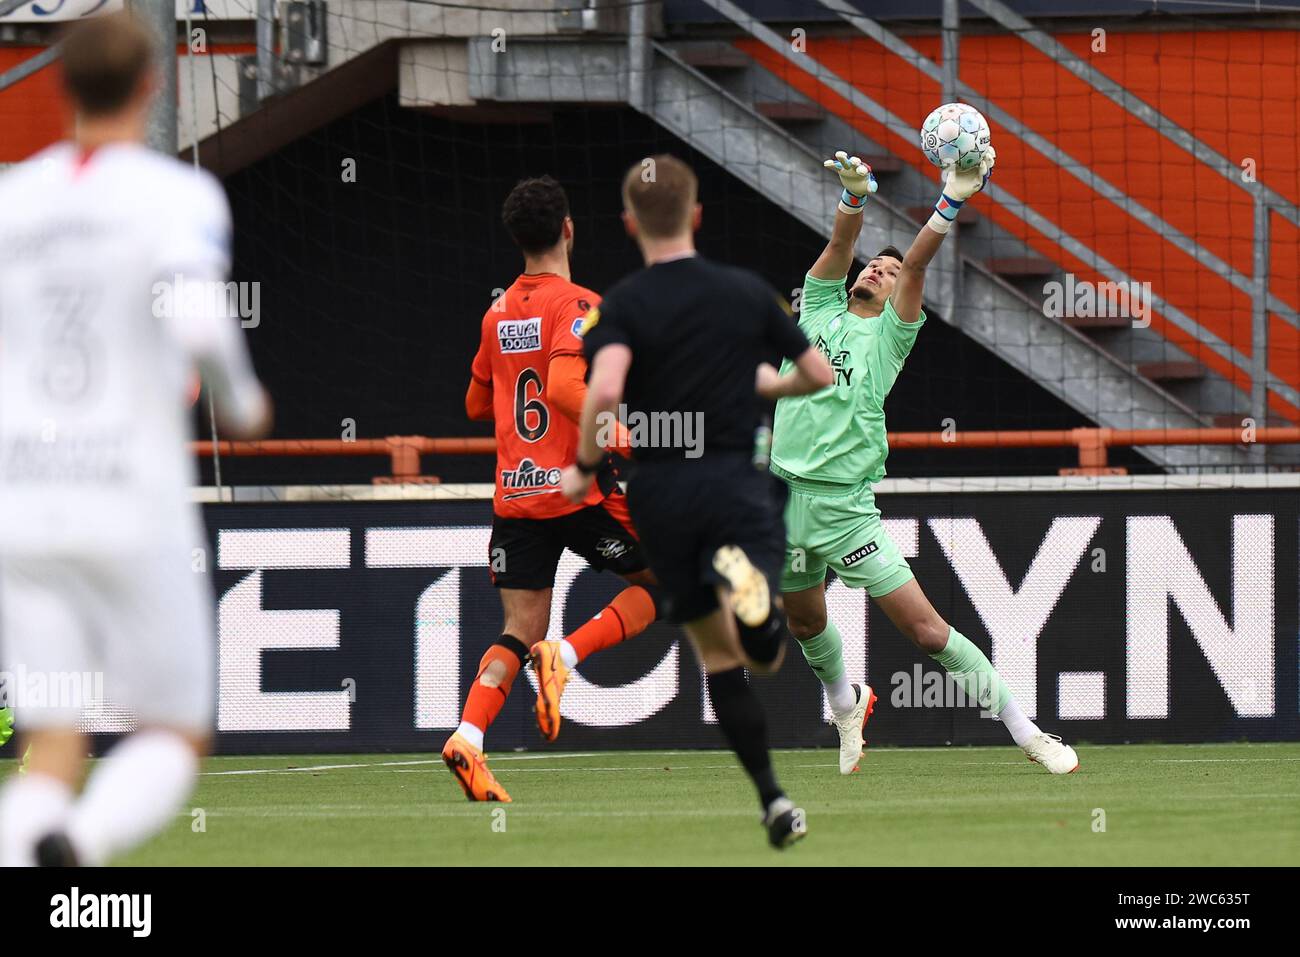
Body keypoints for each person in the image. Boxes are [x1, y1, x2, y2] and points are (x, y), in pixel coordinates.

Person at [0, 11, 272, 866]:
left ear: (58, 83)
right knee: (176, 731)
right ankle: (78, 844)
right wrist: (243, 399)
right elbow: (194, 321)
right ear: (152, 85)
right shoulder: (176, 196)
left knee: (51, 735)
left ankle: (38, 851)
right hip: (129, 497)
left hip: (25, 500)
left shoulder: (14, 199)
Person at [773, 148, 1079, 775]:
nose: (878, 271)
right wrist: (854, 198)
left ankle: (1030, 735)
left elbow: (914, 266)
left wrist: (952, 201)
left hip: (844, 508)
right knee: (804, 622)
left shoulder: (889, 337)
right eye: (873, 266)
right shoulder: (817, 310)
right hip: (780, 498)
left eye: (886, 273)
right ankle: (846, 704)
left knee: (928, 634)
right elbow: (838, 245)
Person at [561, 154, 833, 848]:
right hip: (732, 482)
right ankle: (758, 600)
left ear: (628, 225)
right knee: (766, 651)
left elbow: (604, 390)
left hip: (659, 495)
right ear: (698, 215)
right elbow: (818, 374)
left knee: (718, 658)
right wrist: (756, 388)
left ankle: (773, 799)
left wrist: (585, 464)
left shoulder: (618, 305)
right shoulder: (745, 292)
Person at [441, 176, 667, 803]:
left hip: (516, 496)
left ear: (516, 239)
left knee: (516, 630)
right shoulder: (581, 306)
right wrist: (623, 438)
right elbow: (567, 391)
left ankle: (468, 736)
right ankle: (566, 655)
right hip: (577, 493)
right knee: (666, 586)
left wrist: (521, 401)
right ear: (569, 228)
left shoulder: (496, 312)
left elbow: (474, 402)